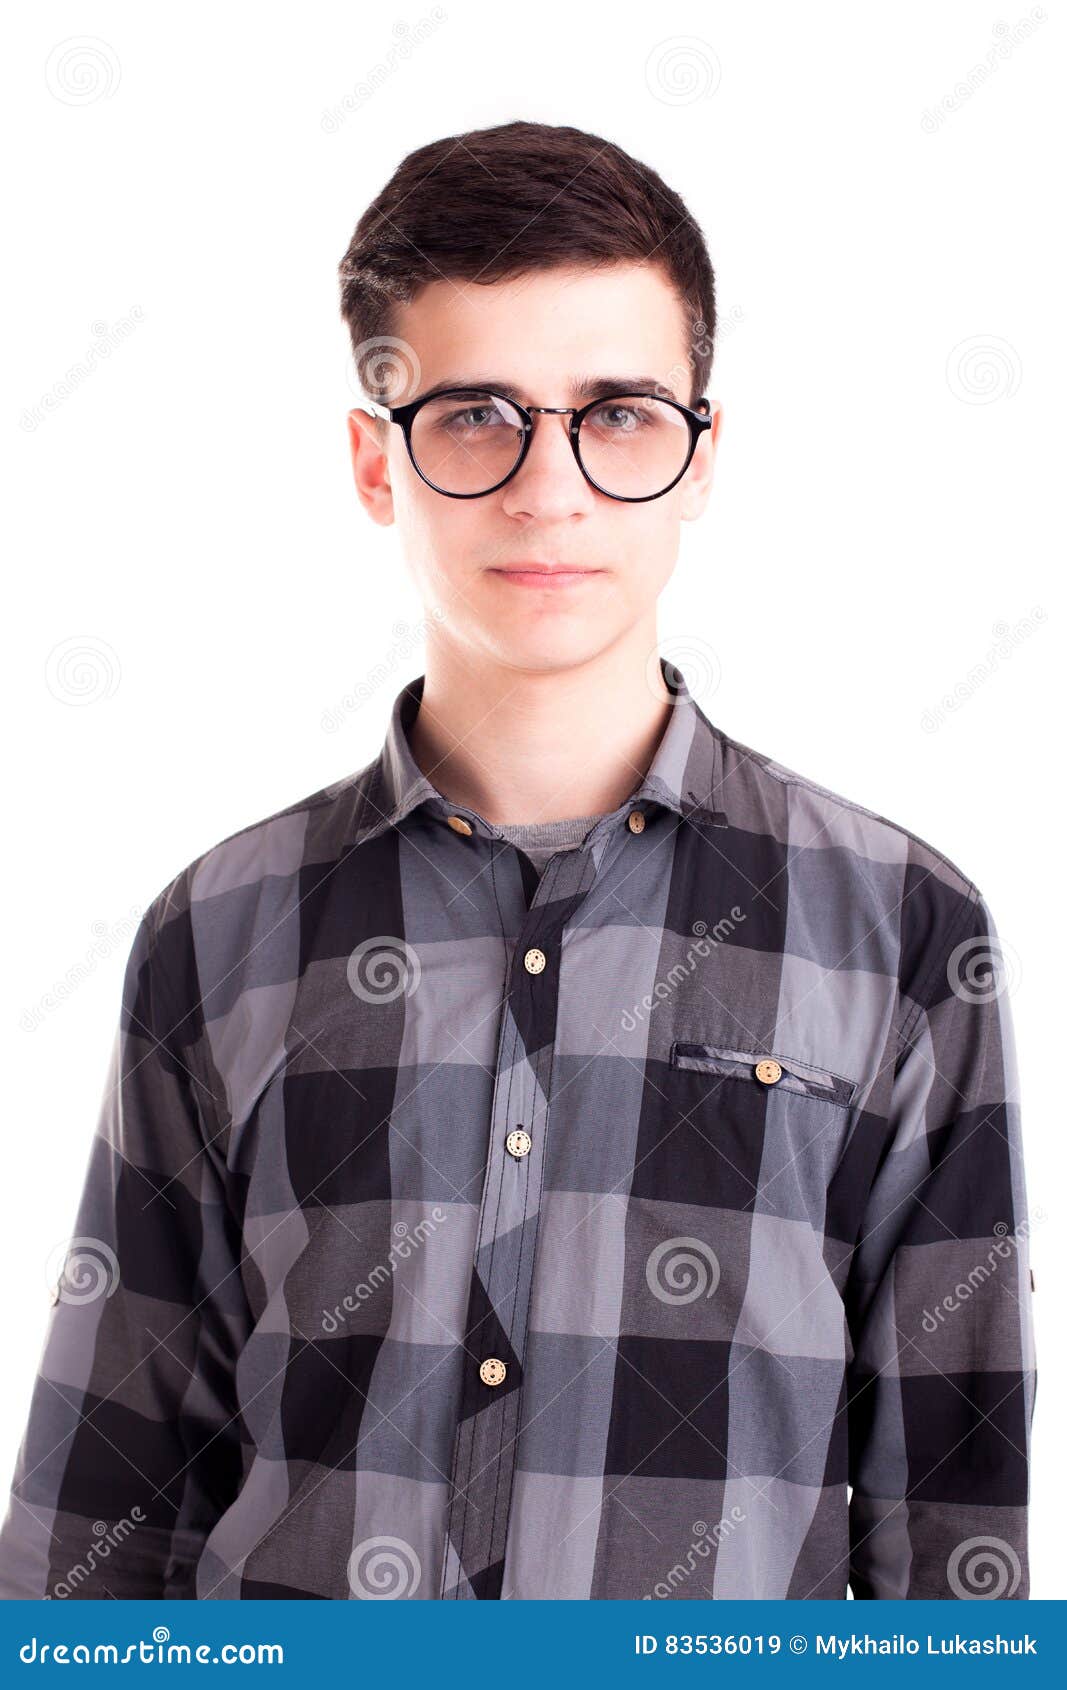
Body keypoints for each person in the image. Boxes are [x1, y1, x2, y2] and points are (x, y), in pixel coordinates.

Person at [0, 120, 1035, 1601]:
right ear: (376, 459)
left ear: (699, 458)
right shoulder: (219, 931)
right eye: (477, 413)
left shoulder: (901, 930)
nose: (549, 488)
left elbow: (954, 1537)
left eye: (616, 414)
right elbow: (101, 1507)